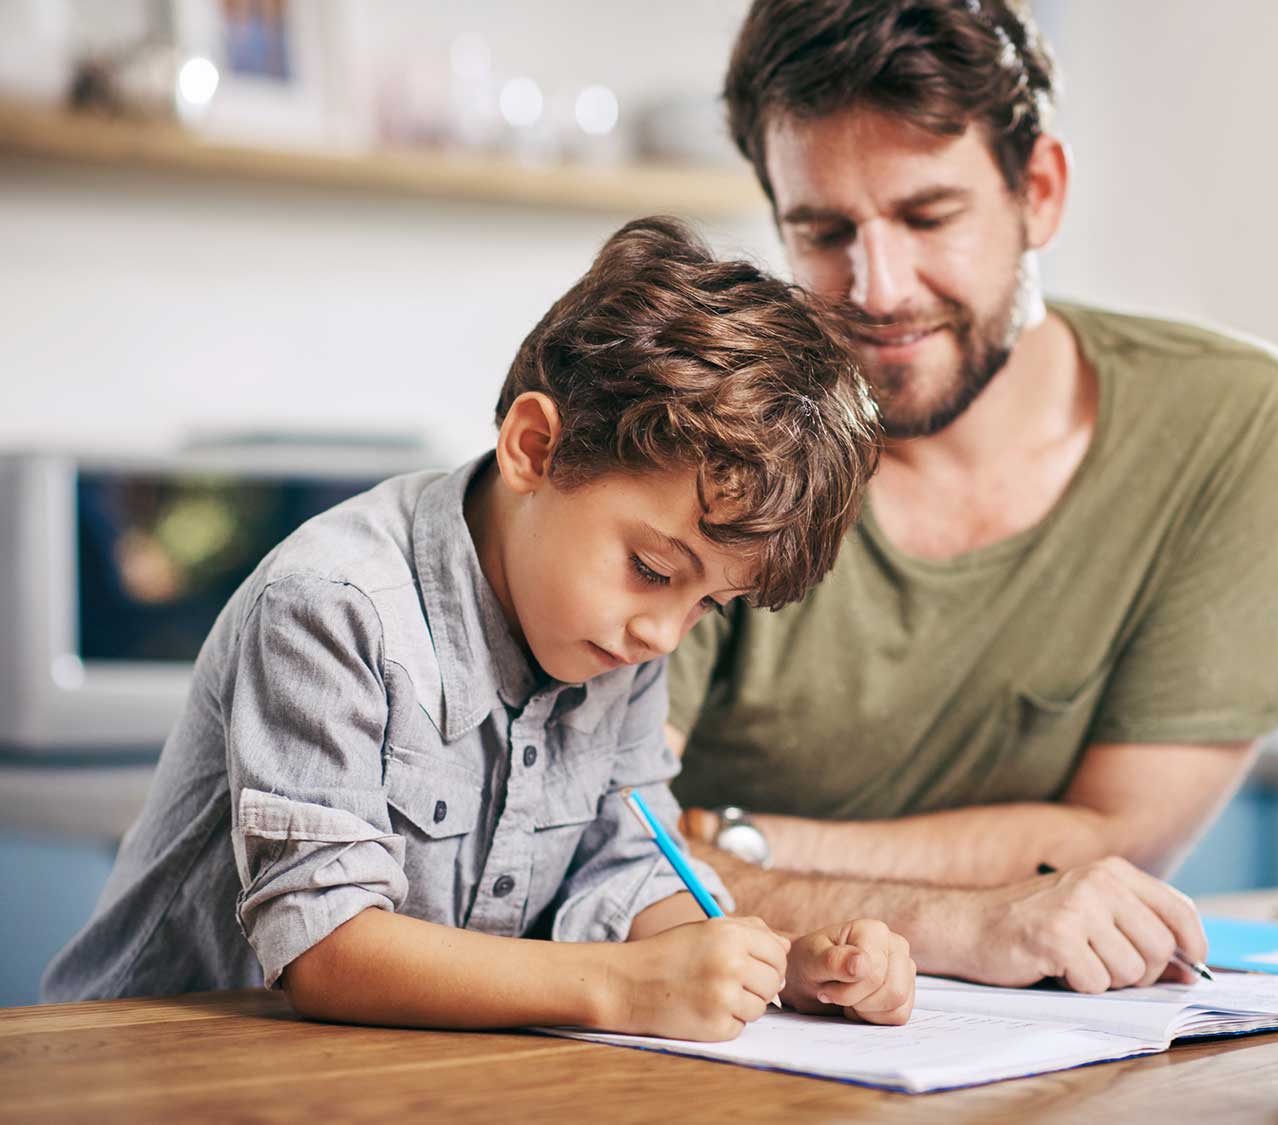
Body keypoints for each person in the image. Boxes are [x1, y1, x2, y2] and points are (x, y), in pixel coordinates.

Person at [43, 217, 916, 1041]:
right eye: (653, 568)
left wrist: (758, 965)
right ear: (534, 449)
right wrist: (629, 985)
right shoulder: (332, 605)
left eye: (706, 604)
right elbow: (328, 949)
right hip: (147, 1068)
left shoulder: (621, 640)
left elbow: (630, 867)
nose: (664, 633)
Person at [666, 0, 1278, 994]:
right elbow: (602, 843)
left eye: (929, 217)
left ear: (1040, 191)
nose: (879, 289)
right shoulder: (714, 436)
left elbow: (1118, 842)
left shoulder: (1227, 421)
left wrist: (736, 842)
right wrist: (960, 918)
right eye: (824, 230)